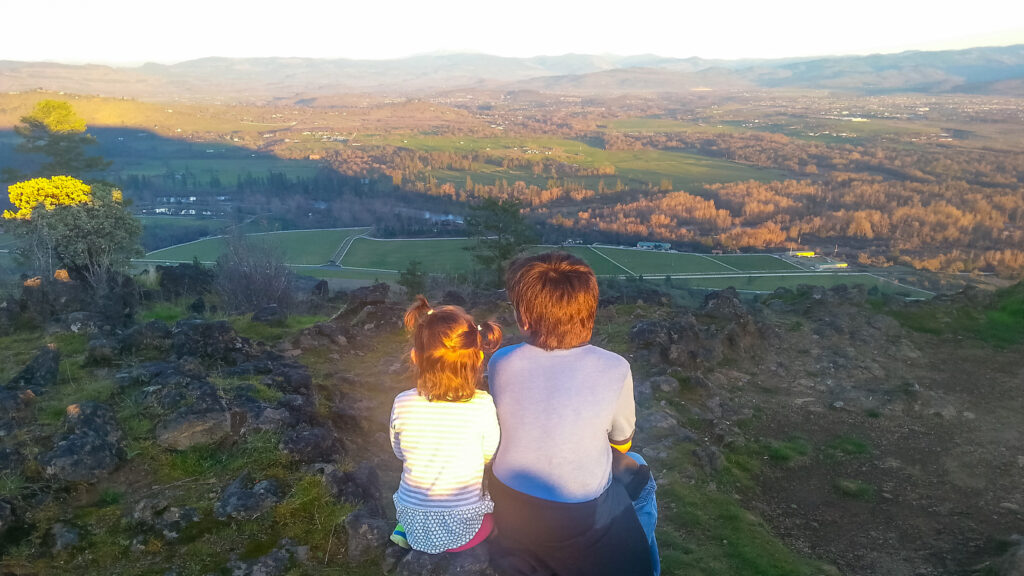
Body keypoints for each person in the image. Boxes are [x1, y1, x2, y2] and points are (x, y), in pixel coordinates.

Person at [487, 252, 658, 576]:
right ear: (590, 313)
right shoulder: (615, 367)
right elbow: (620, 441)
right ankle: (644, 562)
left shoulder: (501, 361)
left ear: (524, 318)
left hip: (509, 504)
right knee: (640, 472)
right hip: (578, 516)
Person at [388, 295, 503, 554]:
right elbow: (489, 455)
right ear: (478, 358)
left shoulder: (402, 402)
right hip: (466, 529)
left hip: (412, 520)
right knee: (495, 518)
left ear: (416, 358)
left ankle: (406, 532)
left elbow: (399, 452)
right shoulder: (483, 405)